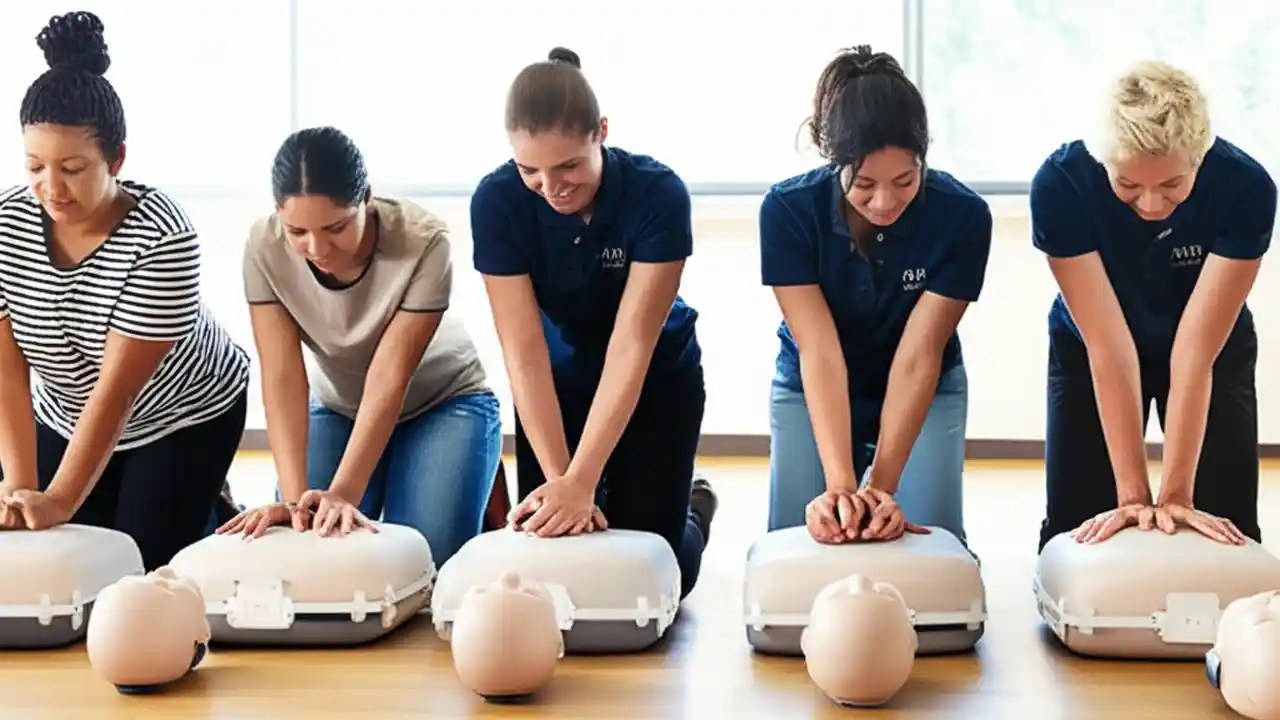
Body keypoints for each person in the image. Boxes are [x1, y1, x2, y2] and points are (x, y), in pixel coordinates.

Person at [0, 11, 251, 571]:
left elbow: (116, 394)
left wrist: (60, 498)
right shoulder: (6, 225)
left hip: (182, 412)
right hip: (63, 413)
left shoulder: (163, 236)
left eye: (72, 168)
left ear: (116, 159)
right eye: (34, 167)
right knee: (63, 564)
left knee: (138, 570)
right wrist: (19, 489)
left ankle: (210, 504)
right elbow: (6, 369)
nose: (50, 188)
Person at [470, 47, 718, 600]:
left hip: (655, 378)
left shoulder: (658, 194)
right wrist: (565, 482)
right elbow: (523, 352)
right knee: (556, 565)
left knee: (655, 571)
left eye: (568, 168)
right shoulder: (496, 202)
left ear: (601, 132)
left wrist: (585, 481)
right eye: (529, 169)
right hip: (557, 386)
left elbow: (633, 345)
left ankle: (694, 511)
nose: (551, 187)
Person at [217, 127, 503, 566]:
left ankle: (470, 471)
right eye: (298, 231)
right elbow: (281, 375)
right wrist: (296, 505)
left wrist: (343, 493)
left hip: (444, 400)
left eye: (335, 227)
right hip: (338, 406)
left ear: (366, 198)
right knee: (310, 547)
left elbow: (390, 376)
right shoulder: (264, 247)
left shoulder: (424, 241)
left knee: (421, 559)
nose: (317, 248)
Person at [1031, 60, 1271, 550]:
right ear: (1103, 164)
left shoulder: (1246, 188)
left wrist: (1178, 493)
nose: (1151, 205)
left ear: (1200, 160)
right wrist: (1134, 497)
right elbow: (1109, 347)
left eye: (1171, 186)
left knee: (1222, 526)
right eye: (1128, 185)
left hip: (1210, 350)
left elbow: (1195, 353)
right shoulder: (1062, 185)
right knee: (1084, 526)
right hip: (1093, 349)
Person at [760, 46, 993, 546]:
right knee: (804, 537)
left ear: (923, 158)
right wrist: (843, 489)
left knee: (929, 540)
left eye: (904, 181)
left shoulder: (963, 216)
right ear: (833, 160)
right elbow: (819, 351)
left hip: (924, 382)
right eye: (863, 184)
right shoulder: (788, 211)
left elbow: (919, 354)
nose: (884, 202)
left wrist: (880, 491)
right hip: (813, 381)